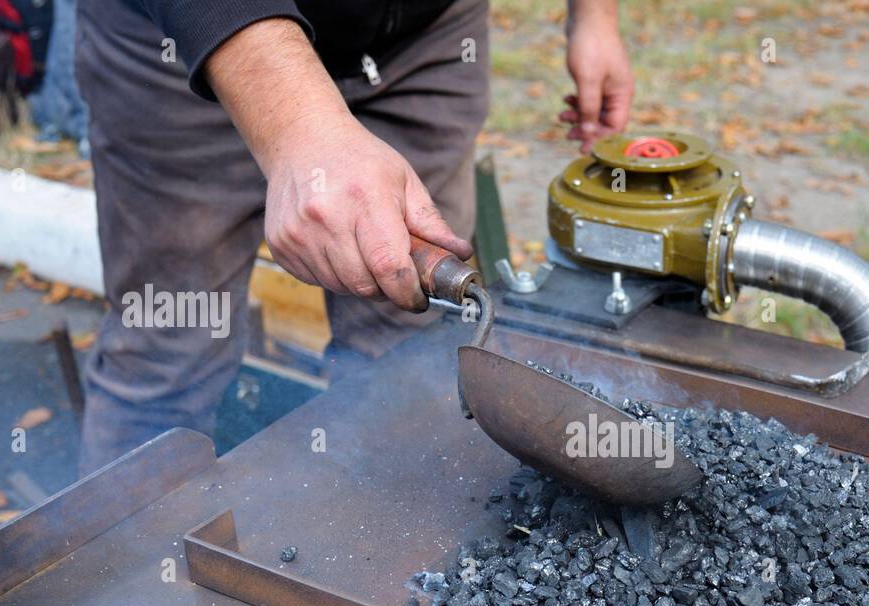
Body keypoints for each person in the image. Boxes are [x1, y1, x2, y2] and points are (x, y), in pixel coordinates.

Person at [75, 0, 633, 474]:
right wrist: (300, 129)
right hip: (189, 43)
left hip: (420, 41)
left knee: (403, 358)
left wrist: (594, 16)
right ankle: (116, 583)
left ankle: (376, 572)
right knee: (168, 348)